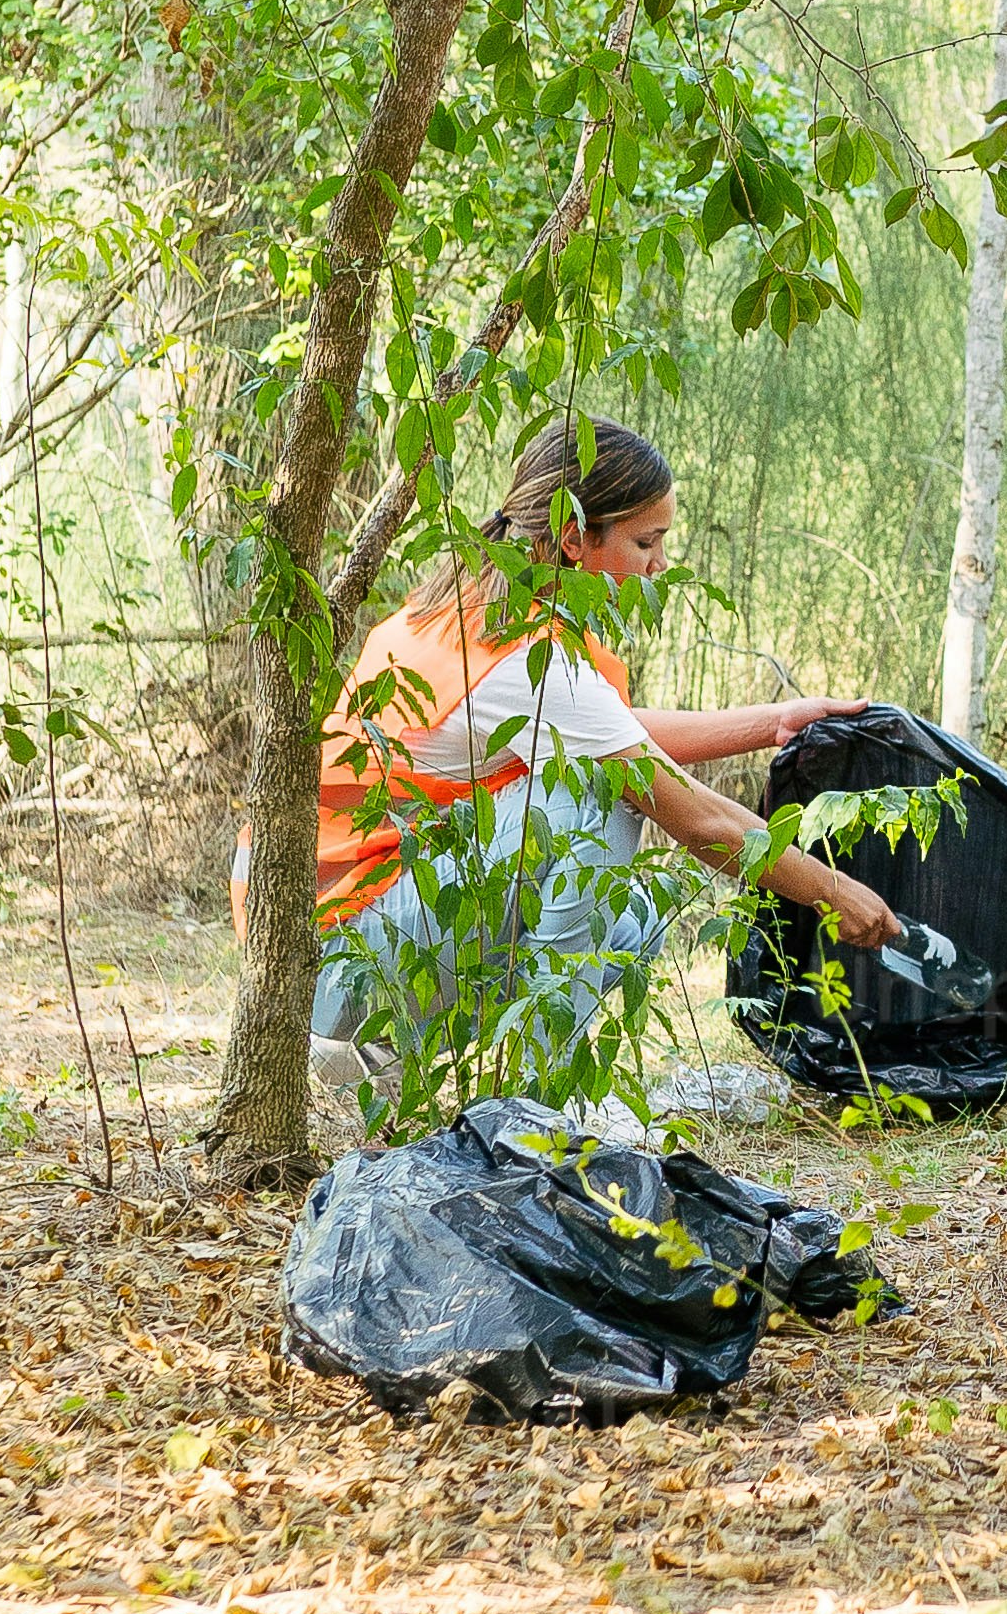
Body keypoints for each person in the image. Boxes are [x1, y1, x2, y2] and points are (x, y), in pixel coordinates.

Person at [305, 413, 899, 1122]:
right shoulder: (530, 654)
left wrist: (771, 723)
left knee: (632, 916)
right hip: (337, 968)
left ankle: (413, 1058)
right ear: (571, 537)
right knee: (608, 792)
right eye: (645, 542)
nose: (659, 564)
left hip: (331, 950)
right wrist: (832, 889)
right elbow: (694, 815)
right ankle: (536, 1096)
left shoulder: (466, 603)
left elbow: (613, 729)